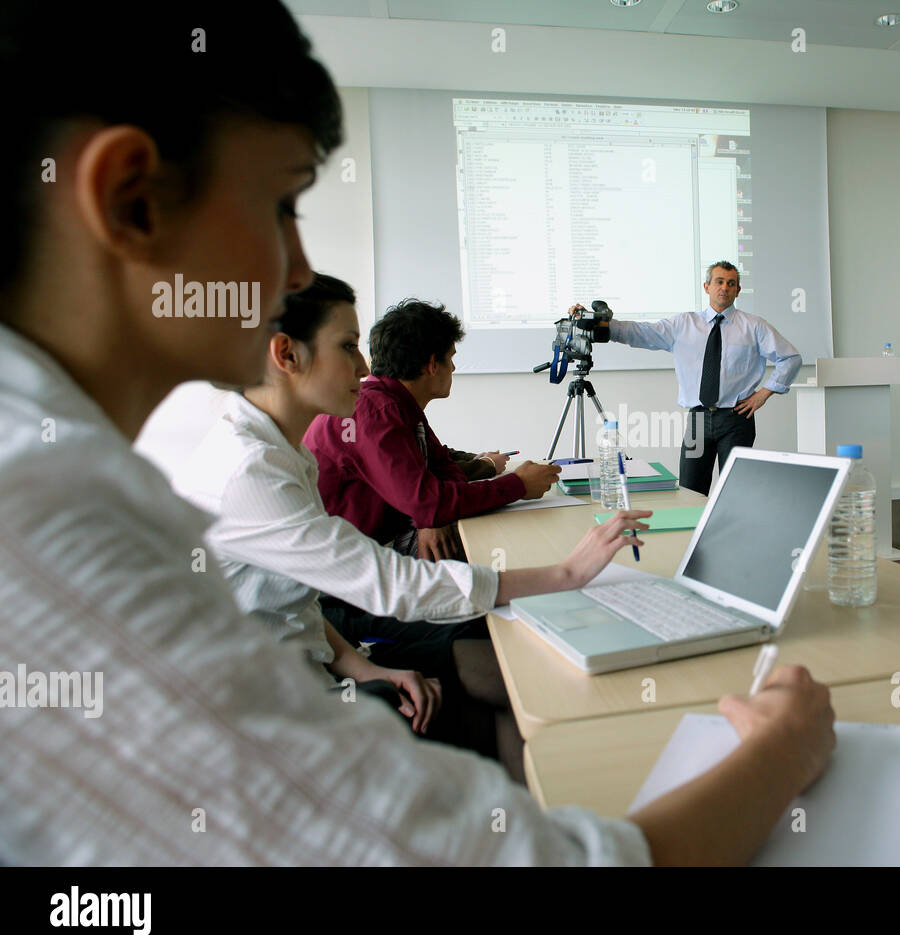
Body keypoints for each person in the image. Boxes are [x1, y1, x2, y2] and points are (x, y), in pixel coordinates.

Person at [0, 0, 835, 866]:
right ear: (130, 201)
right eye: (282, 201)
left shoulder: (100, 469)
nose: (293, 264)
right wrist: (783, 749)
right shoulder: (50, 520)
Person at [165, 272, 528, 776]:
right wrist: (566, 574)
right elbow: (397, 562)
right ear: (287, 355)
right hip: (277, 697)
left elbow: (297, 603)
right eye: (348, 346)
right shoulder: (252, 470)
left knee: (491, 655)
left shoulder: (284, 448)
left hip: (326, 639)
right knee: (488, 655)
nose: (363, 365)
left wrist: (366, 668)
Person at [305, 299, 561, 562]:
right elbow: (430, 502)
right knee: (497, 552)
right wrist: (518, 484)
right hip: (342, 562)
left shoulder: (399, 405)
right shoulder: (374, 411)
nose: (453, 368)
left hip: (375, 539)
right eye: (450, 359)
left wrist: (430, 514)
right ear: (431, 365)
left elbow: (444, 475)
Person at [579, 261, 802, 495]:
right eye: (719, 282)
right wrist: (599, 323)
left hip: (737, 420)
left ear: (738, 290)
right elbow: (641, 333)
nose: (724, 287)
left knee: (736, 491)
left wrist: (763, 394)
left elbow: (790, 358)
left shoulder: (754, 326)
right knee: (690, 490)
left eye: (731, 283)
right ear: (707, 287)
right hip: (697, 421)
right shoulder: (684, 324)